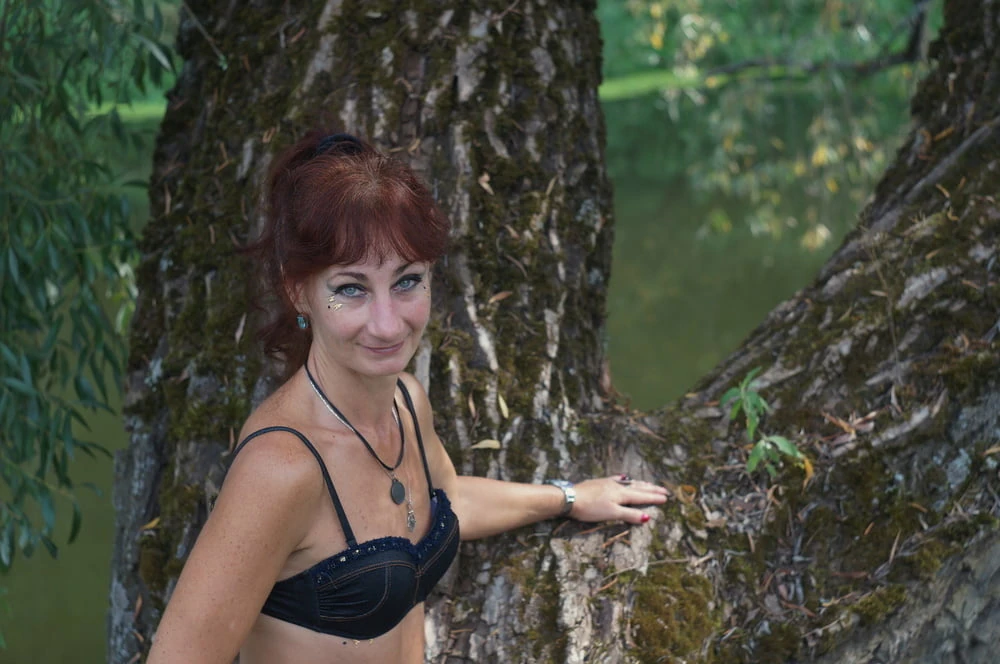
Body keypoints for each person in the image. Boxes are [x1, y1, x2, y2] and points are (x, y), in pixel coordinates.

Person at [147, 131, 669, 664]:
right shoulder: (280, 467)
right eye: (351, 288)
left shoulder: (406, 401)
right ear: (297, 290)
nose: (387, 323)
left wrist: (571, 498)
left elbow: (445, 501)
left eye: (407, 281)